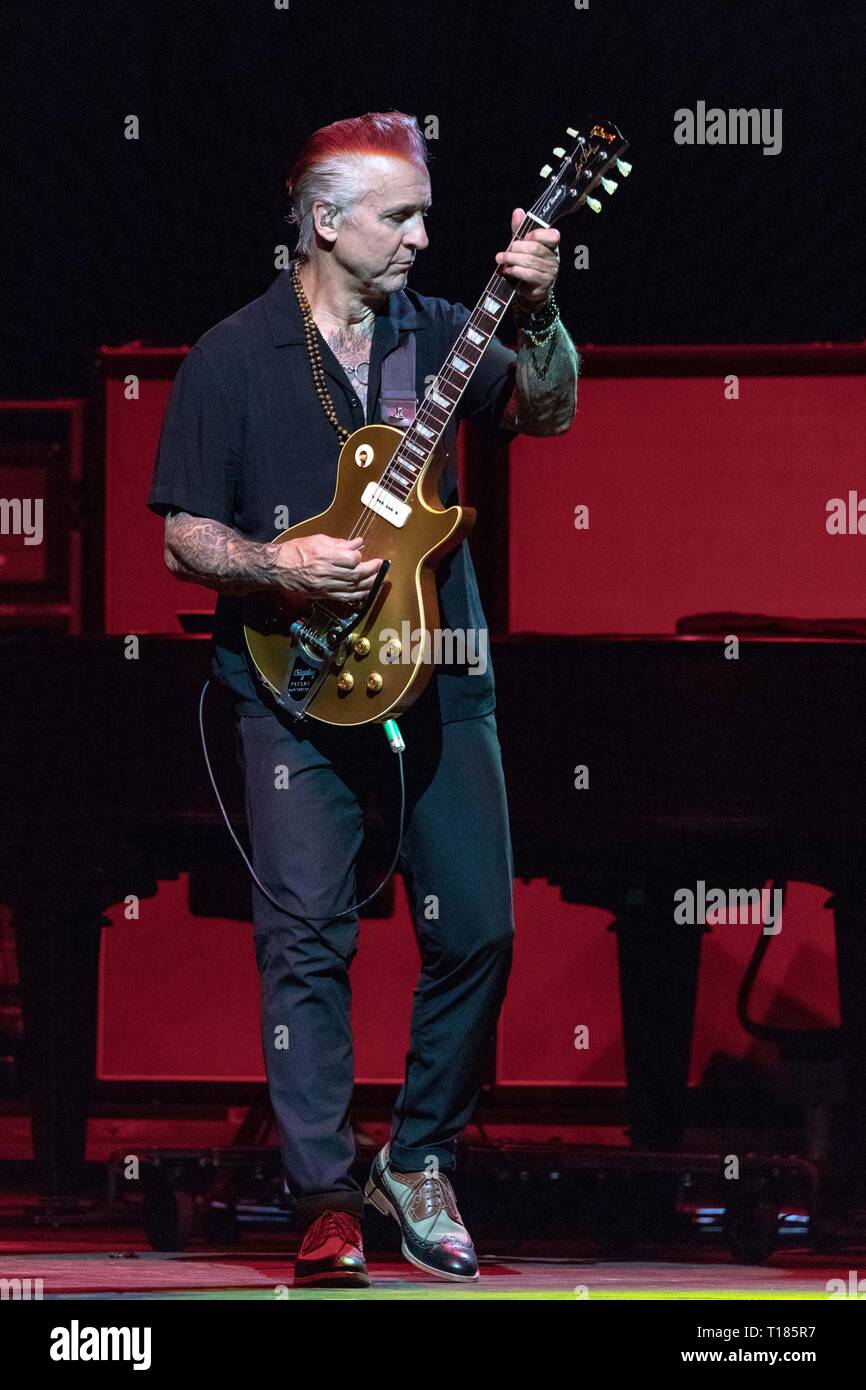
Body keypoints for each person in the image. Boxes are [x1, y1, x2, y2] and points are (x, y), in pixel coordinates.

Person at [148, 110, 578, 1287]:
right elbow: (185, 535)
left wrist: (537, 301)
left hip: (441, 668)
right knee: (305, 941)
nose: (421, 238)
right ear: (324, 222)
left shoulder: (438, 334)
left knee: (478, 929)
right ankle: (327, 1196)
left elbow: (543, 408)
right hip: (290, 683)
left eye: (427, 215)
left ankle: (420, 1154)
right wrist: (274, 564)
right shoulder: (232, 355)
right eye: (398, 216)